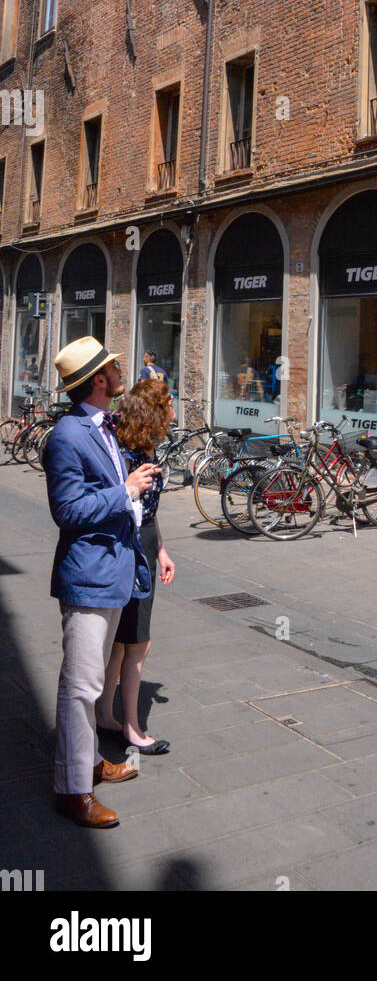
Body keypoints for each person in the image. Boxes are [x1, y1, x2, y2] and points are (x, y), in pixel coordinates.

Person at [43, 337, 159, 829]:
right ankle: (72, 790)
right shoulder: (67, 436)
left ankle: (89, 762)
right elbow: (67, 511)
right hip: (88, 574)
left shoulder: (103, 427)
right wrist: (125, 490)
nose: (120, 371)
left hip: (113, 571)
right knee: (81, 686)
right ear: (98, 380)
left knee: (90, 685)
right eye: (113, 367)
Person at [96, 380, 175, 753]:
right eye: (169, 404)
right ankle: (131, 727)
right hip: (128, 548)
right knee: (135, 643)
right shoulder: (126, 455)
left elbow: (150, 512)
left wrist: (161, 550)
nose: (173, 411)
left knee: (122, 643)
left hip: (141, 545)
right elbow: (126, 505)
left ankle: (106, 715)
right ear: (154, 411)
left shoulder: (142, 448)